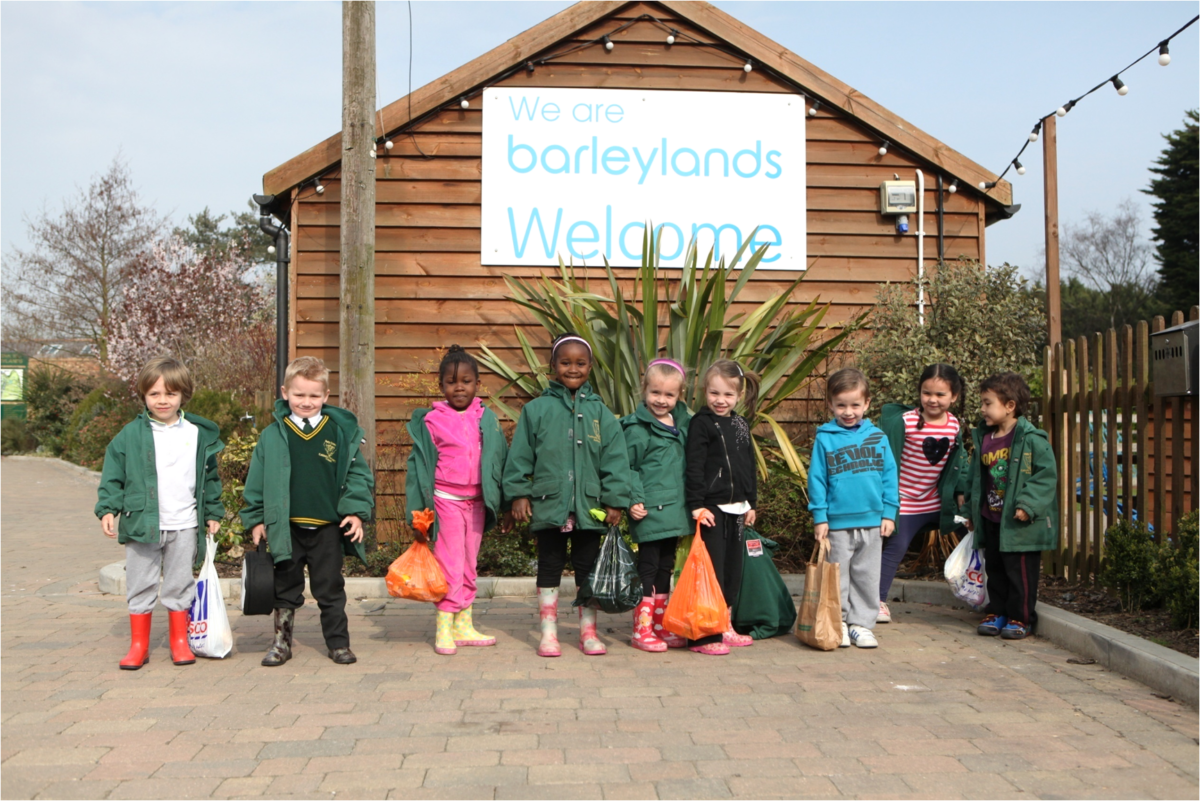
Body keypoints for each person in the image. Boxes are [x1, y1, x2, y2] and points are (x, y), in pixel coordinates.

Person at [504, 333, 632, 657]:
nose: (572, 369)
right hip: (550, 505)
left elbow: (616, 460)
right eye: (565, 362)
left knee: (587, 568)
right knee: (549, 565)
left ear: (590, 367)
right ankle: (548, 633)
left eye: (580, 363)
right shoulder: (536, 410)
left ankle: (588, 632)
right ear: (553, 366)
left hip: (589, 509)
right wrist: (519, 493)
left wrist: (615, 499)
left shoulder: (601, 414)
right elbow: (519, 455)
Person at [241, 356, 374, 666]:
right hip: (286, 528)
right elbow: (257, 480)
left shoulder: (339, 434)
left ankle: (338, 644)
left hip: (328, 527)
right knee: (285, 588)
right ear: (285, 392)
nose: (306, 402)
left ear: (326, 396)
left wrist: (355, 512)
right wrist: (257, 519)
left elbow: (357, 476)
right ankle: (281, 643)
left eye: (314, 396)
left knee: (330, 589)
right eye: (299, 395)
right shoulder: (273, 436)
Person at [95, 357, 224, 670]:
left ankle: (180, 641)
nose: (163, 400)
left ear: (183, 395)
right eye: (154, 394)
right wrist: (108, 508)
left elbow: (210, 480)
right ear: (143, 396)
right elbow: (112, 475)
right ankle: (139, 645)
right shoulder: (129, 435)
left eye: (170, 393)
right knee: (141, 583)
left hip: (184, 523)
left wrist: (213, 512)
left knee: (180, 583)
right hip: (142, 523)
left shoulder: (196, 433)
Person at [406, 345, 510, 655]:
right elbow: (418, 469)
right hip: (445, 501)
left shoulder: (486, 418)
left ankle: (464, 624)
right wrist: (419, 515)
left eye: (466, 381)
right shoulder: (432, 421)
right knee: (450, 564)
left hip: (477, 503)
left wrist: (504, 504)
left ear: (478, 384)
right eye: (451, 382)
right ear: (441, 386)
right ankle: (444, 628)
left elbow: (499, 462)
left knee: (469, 564)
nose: (459, 387)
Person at [808, 367, 898, 649]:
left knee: (867, 576)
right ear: (831, 405)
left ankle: (861, 624)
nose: (849, 411)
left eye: (855, 405)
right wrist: (820, 517)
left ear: (867, 404)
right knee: (838, 577)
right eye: (841, 405)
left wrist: (889, 513)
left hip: (872, 522)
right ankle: (840, 623)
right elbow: (817, 479)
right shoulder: (825, 437)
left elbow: (890, 476)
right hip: (836, 524)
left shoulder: (878, 437)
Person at [964, 372, 1058, 640]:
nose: (982, 409)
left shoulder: (1032, 439)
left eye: (987, 403)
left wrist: (1028, 504)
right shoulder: (985, 439)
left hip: (1019, 523)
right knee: (995, 569)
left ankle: (1021, 618)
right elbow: (975, 479)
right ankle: (998, 611)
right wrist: (970, 512)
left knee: (1020, 575)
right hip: (992, 518)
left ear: (1010, 406)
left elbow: (1046, 476)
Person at [876, 364, 968, 623]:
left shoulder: (953, 425)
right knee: (896, 547)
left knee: (972, 537)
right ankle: (877, 600)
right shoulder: (903, 423)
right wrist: (887, 501)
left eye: (940, 395)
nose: (933, 400)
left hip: (937, 501)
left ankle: (982, 592)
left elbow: (958, 461)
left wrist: (960, 490)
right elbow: (886, 459)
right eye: (927, 393)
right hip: (905, 501)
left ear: (954, 396)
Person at [685, 359, 761, 655]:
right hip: (712, 510)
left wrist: (751, 502)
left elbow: (748, 466)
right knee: (710, 571)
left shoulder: (741, 424)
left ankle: (725, 624)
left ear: (739, 396)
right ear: (705, 391)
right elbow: (694, 467)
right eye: (715, 393)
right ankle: (703, 634)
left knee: (732, 570)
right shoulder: (701, 424)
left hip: (738, 510)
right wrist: (696, 505)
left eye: (728, 395)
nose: (721, 400)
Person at [621, 358, 692, 652]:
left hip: (674, 509)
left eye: (669, 395)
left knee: (665, 566)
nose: (661, 400)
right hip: (649, 510)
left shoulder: (683, 423)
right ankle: (642, 628)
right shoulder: (637, 428)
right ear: (644, 390)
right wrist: (632, 499)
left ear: (680, 396)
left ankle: (660, 625)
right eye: (655, 393)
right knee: (648, 567)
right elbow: (627, 467)